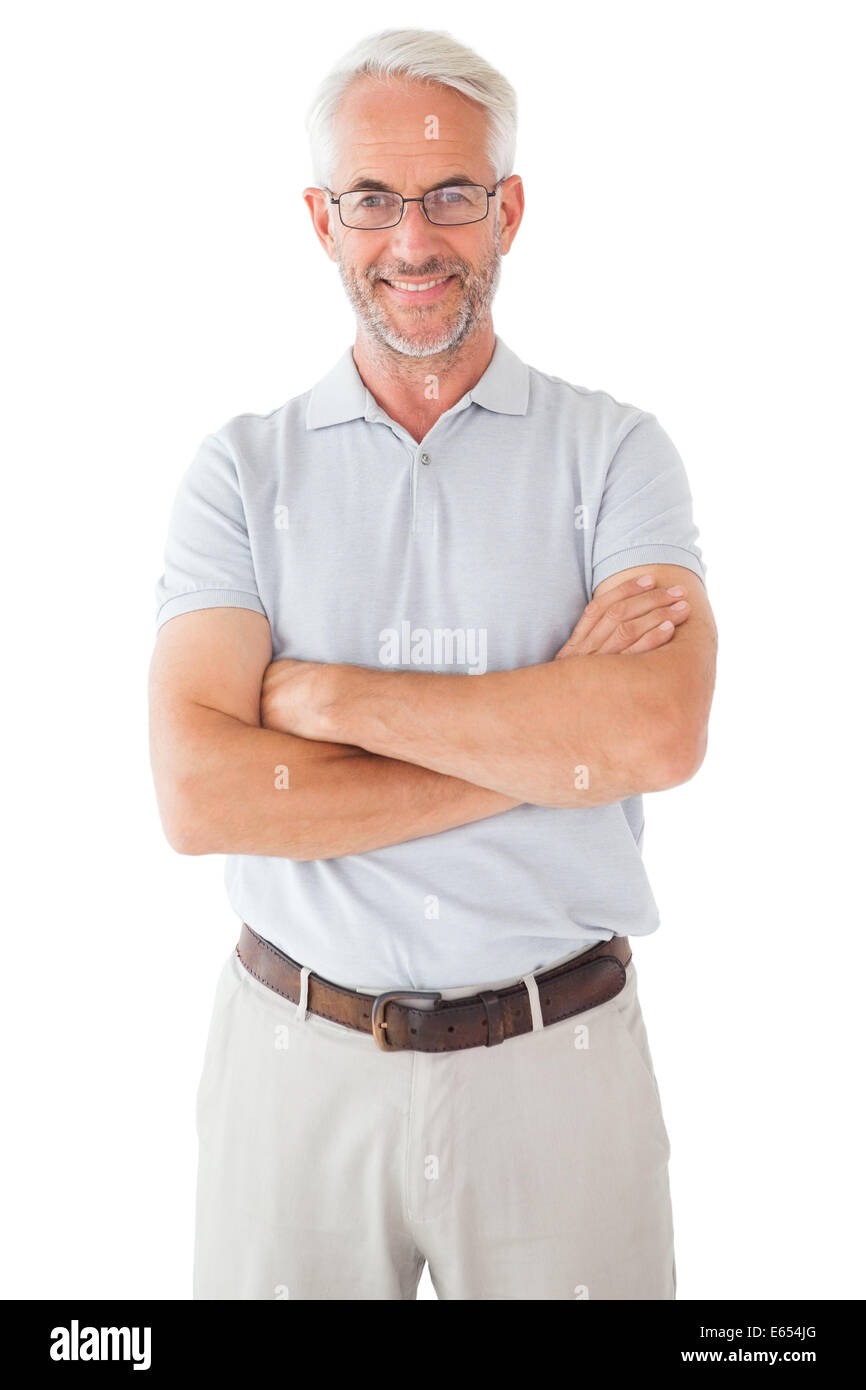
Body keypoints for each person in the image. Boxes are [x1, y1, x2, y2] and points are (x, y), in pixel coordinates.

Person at [148, 27, 718, 1301]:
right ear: (322, 219)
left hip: (557, 1069)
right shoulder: (239, 474)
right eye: (373, 200)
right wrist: (541, 747)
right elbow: (200, 795)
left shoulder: (615, 456)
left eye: (453, 194)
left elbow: (657, 734)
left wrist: (324, 699)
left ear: (507, 208)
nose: (415, 241)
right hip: (293, 1070)